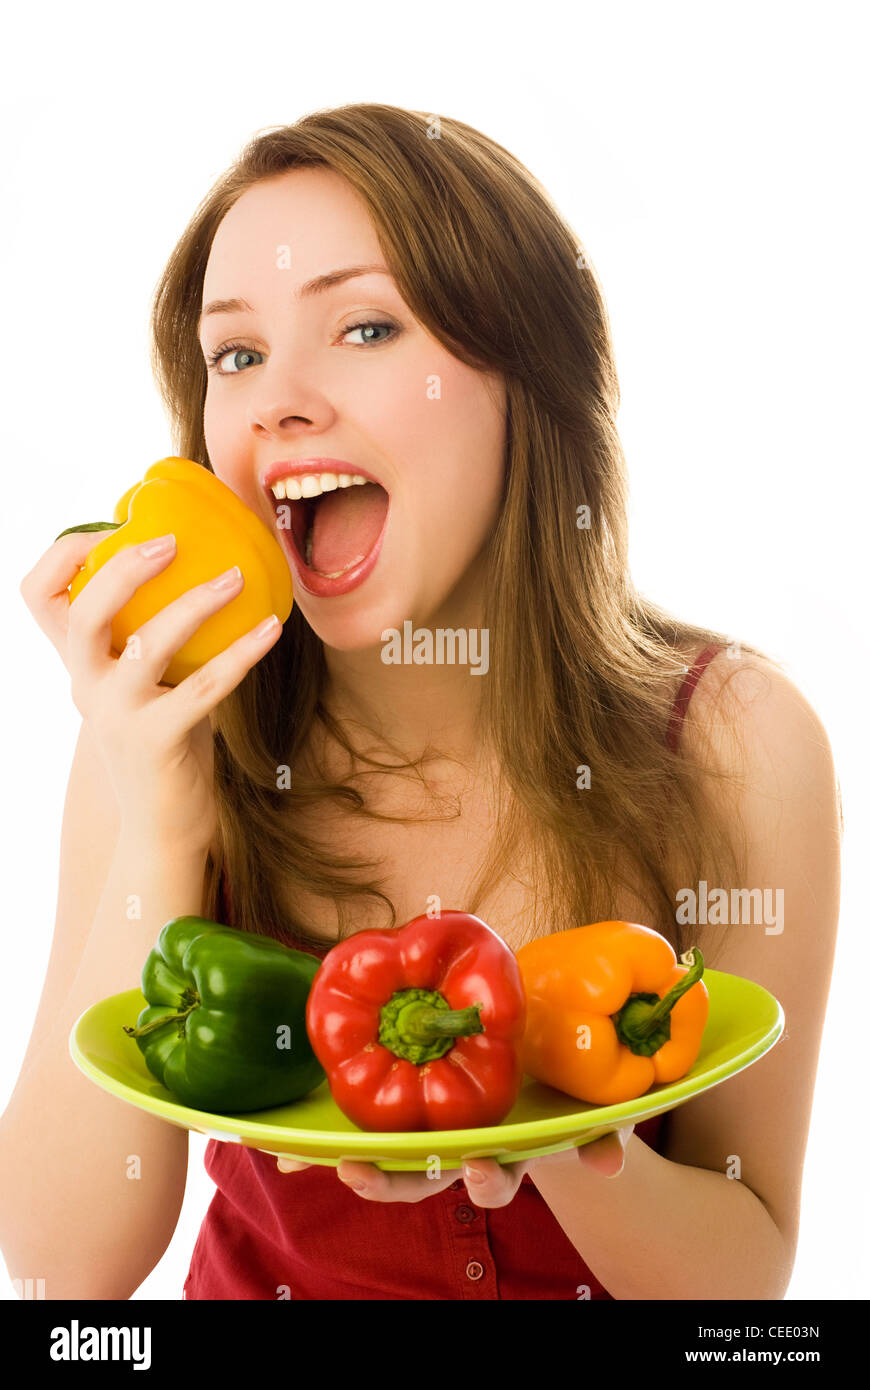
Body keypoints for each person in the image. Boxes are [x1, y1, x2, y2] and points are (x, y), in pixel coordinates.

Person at [14, 104, 841, 1301]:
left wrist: (547, 1134)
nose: (278, 400)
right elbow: (63, 1271)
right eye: (235, 355)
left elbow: (741, 1286)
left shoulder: (734, 744)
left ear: (527, 380)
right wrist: (161, 814)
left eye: (363, 326)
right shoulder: (163, 740)